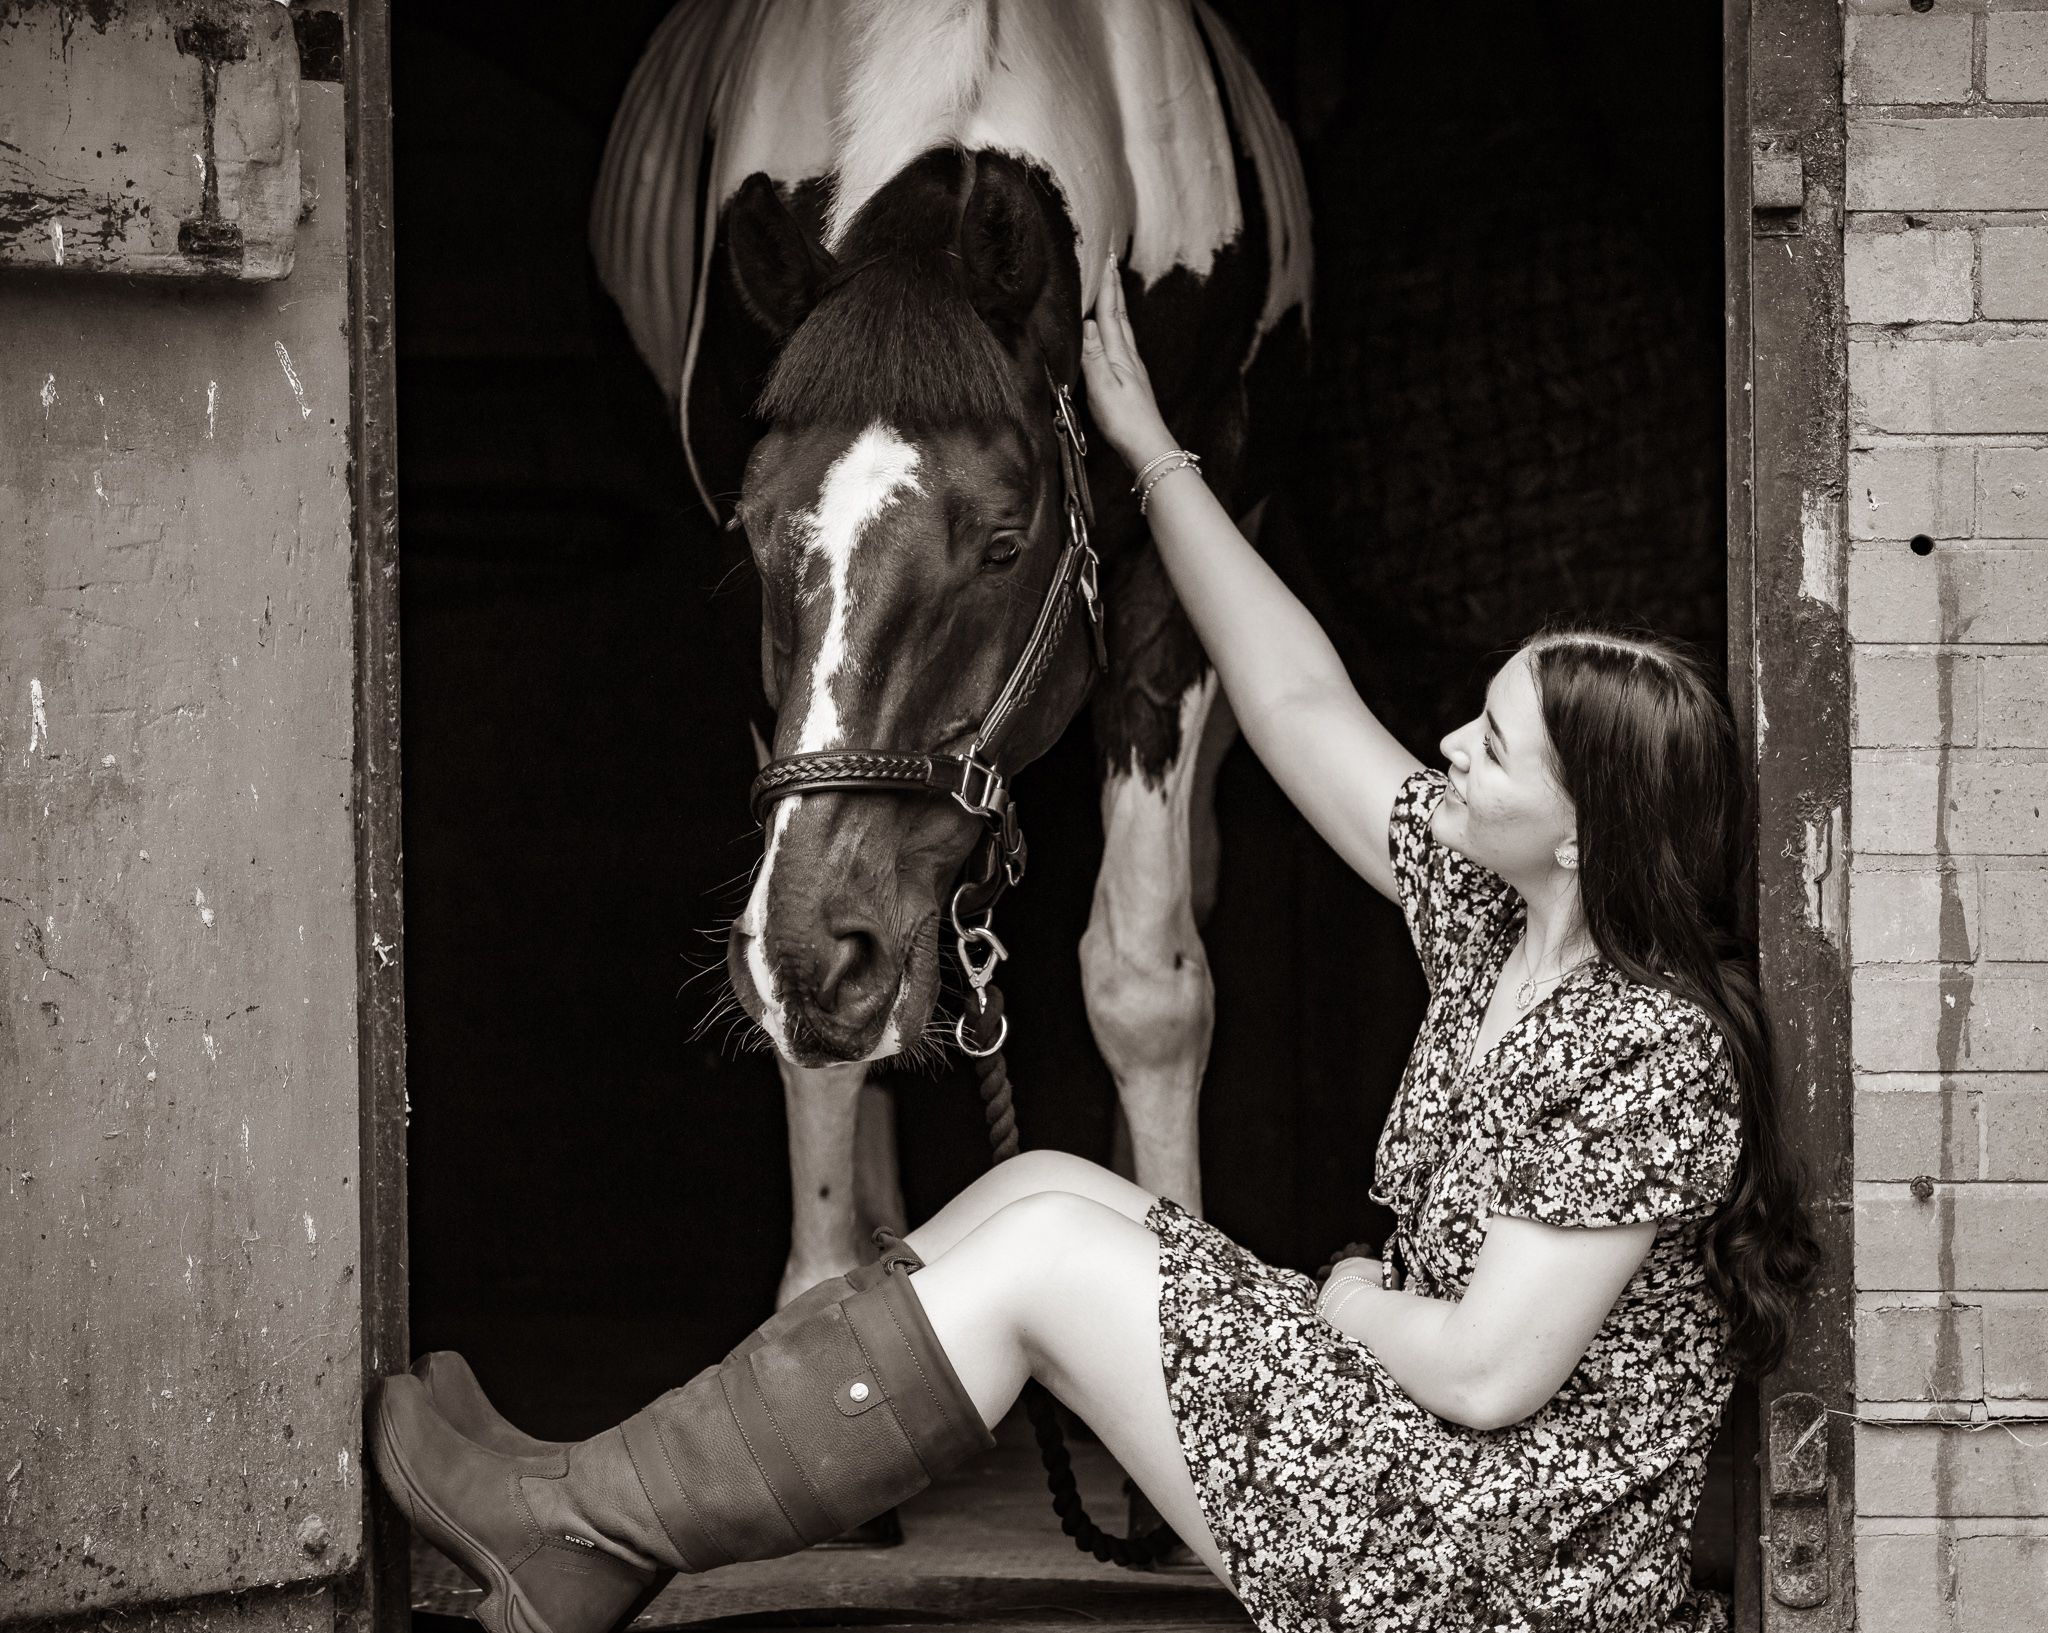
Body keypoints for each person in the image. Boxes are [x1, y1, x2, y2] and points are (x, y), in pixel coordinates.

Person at [368, 253, 1819, 1633]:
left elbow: (1496, 1370)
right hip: (1419, 1468)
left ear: (1581, 829)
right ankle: (592, 1511)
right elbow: (1298, 697)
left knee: (1056, 1249)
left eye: (1490, 745)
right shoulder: (1497, 917)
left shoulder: (1650, 1047)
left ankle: (582, 1526)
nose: (1447, 747)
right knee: (1045, 1182)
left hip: (1492, 1565)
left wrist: (1346, 1298)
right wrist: (1151, 455)